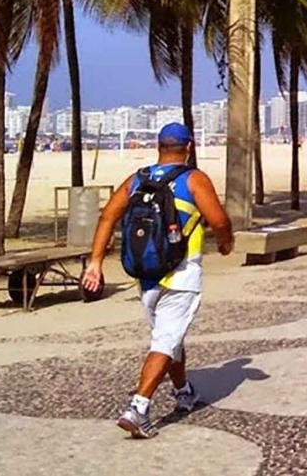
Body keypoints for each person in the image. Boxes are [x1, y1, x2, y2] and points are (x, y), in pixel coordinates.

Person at [82, 123, 234, 439]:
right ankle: (138, 408)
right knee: (165, 340)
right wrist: (225, 242)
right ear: (189, 147)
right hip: (181, 273)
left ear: (158, 146)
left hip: (146, 275)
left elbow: (107, 216)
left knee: (169, 336)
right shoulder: (194, 179)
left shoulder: (138, 179)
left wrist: (95, 263)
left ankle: (183, 392)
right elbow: (218, 220)